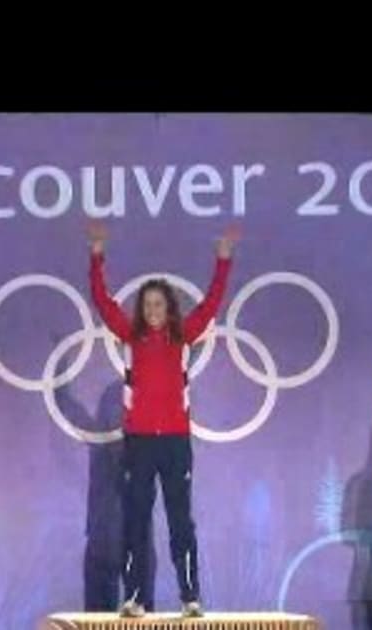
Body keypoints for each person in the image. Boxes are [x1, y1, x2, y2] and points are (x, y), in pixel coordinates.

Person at [86, 220, 238, 618]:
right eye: (148, 304)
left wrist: (223, 261)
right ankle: (134, 597)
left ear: (170, 308)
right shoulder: (130, 336)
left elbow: (211, 304)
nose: (153, 310)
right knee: (136, 521)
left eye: (160, 304)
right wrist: (97, 254)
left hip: (174, 443)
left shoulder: (184, 335)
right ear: (142, 309)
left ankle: (190, 596)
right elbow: (102, 301)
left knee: (180, 521)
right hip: (138, 443)